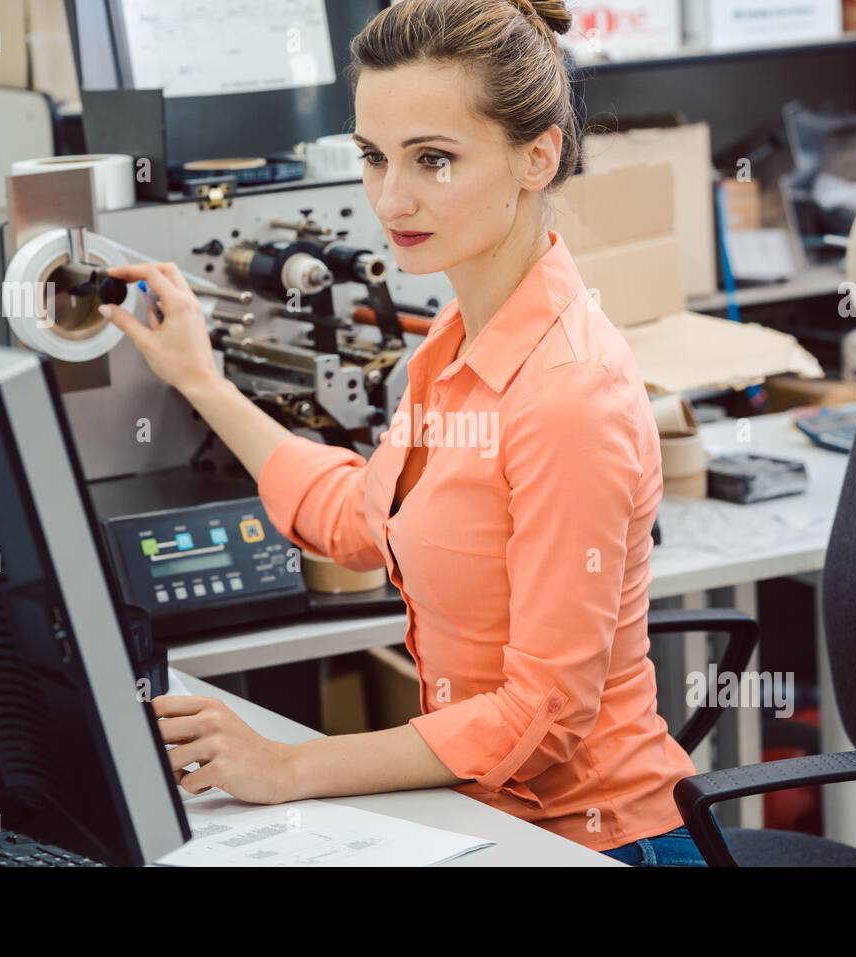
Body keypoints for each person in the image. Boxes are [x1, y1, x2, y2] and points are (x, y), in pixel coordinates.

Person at [101, 0, 715, 866]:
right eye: (373, 157)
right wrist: (200, 379)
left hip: (599, 842)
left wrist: (288, 765)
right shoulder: (452, 347)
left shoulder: (570, 395)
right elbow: (360, 522)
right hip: (481, 821)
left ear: (538, 155)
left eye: (434, 159)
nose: (392, 198)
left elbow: (541, 715)